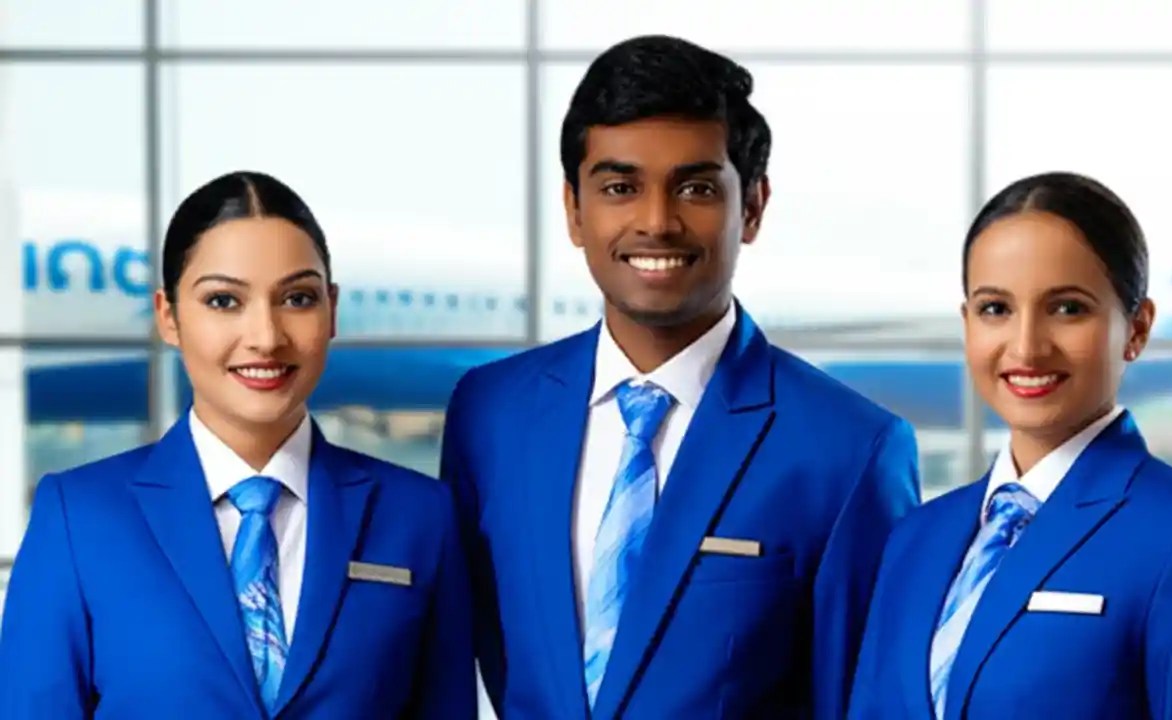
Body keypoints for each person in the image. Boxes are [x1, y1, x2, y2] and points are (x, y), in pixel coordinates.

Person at [441, 34, 920, 720]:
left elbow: (862, 703)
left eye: (695, 188)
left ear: (752, 206)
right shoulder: (489, 415)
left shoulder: (850, 452)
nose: (656, 222)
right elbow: (490, 652)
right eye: (619, 188)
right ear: (575, 210)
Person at [0, 171, 476, 719]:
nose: (266, 337)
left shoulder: (420, 517)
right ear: (168, 316)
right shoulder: (79, 518)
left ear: (332, 309)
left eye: (297, 298)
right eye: (224, 301)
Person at [847, 171, 1172, 719]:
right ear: (967, 324)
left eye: (1068, 308)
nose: (1026, 347)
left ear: (1138, 328)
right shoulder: (915, 541)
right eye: (995, 309)